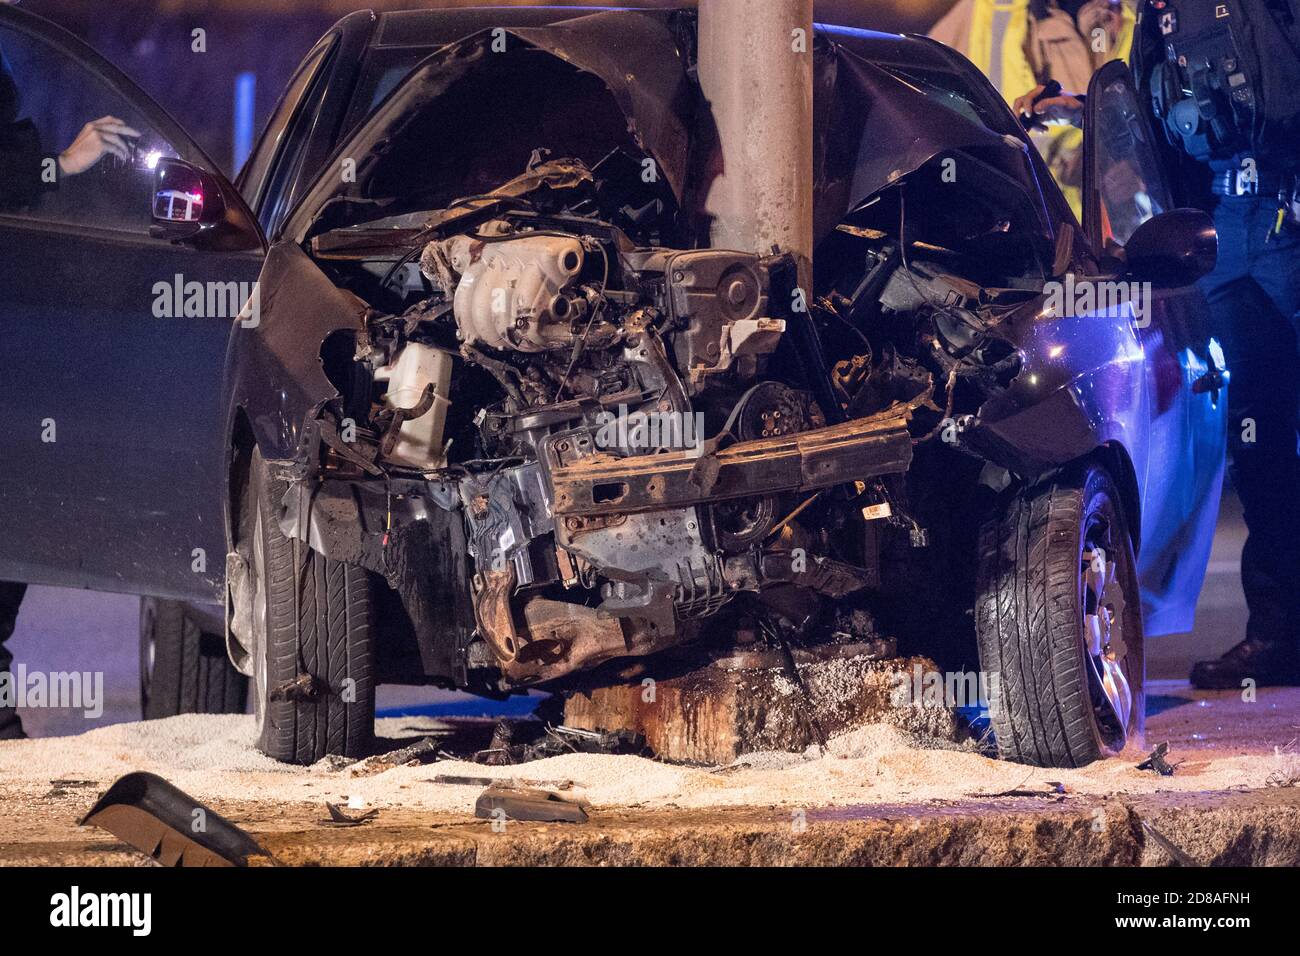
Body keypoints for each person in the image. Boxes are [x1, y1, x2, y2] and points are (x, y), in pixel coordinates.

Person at [1015, 0, 1300, 689]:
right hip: (1221, 231)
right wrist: (1083, 109)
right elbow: (1146, 118)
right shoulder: (1161, 17)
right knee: (1258, 441)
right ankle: (1279, 635)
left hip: (1285, 217)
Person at [930, 0, 1136, 215]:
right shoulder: (984, 15)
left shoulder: (1148, 13)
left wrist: (1138, 167)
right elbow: (917, 116)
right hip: (1032, 228)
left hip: (1128, 230)